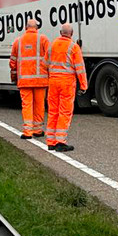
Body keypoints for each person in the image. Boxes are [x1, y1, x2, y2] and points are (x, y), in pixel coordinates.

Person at [45, 24, 87, 152]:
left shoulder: (52, 45)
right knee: (64, 112)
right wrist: (84, 85)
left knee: (53, 111)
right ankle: (60, 141)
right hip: (67, 83)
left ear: (60, 32)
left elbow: (45, 63)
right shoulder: (74, 47)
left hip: (53, 81)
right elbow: (80, 68)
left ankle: (51, 142)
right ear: (72, 33)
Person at [10, 18, 50, 139]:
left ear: (25, 28)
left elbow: (13, 62)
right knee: (39, 105)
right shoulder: (43, 39)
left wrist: (13, 77)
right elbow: (49, 58)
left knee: (27, 105)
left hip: (24, 81)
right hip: (40, 80)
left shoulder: (18, 41)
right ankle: (38, 130)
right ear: (37, 28)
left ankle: (27, 132)